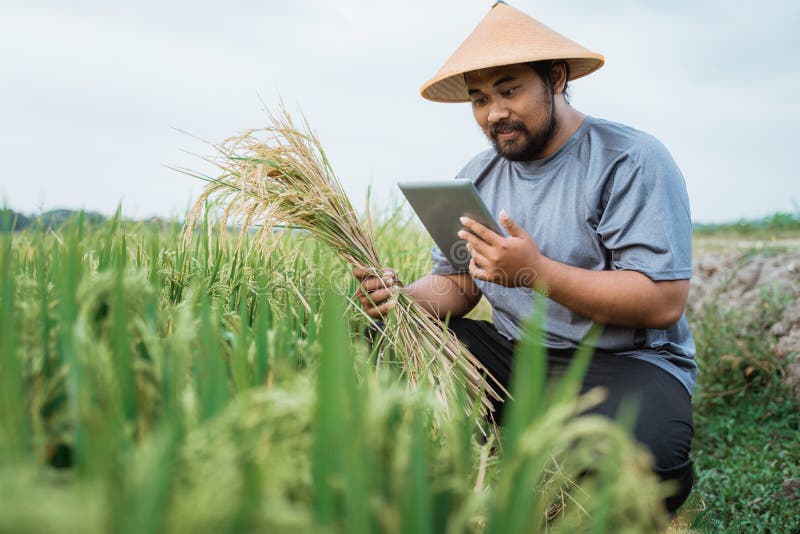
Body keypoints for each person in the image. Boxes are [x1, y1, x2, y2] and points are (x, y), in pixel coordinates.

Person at [354, 1, 695, 513]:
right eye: (479, 99)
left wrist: (533, 273)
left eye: (509, 89)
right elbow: (461, 286)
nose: (494, 113)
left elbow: (662, 301)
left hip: (621, 362)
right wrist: (400, 299)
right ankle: (482, 460)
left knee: (645, 470)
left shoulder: (629, 159)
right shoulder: (475, 176)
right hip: (517, 355)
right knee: (388, 338)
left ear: (556, 78)